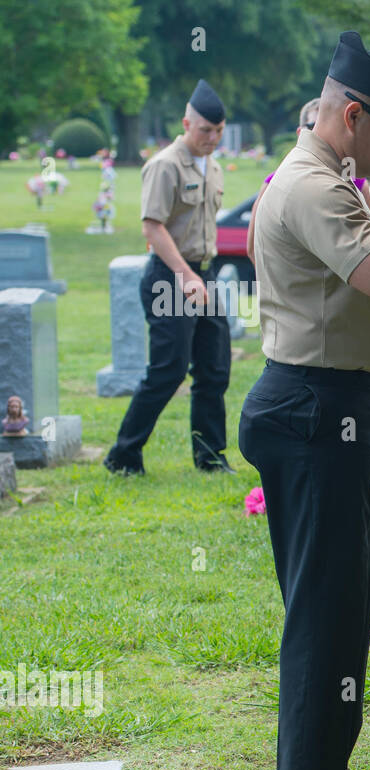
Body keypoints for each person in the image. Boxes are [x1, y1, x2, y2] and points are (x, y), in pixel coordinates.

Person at [237, 31, 370, 770]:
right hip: (318, 409)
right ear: (351, 115)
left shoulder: (318, 173)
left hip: (327, 406)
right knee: (328, 605)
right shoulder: (314, 186)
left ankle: (315, 768)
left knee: (335, 600)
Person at [103, 79, 233, 476]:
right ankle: (123, 455)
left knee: (214, 368)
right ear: (186, 124)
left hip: (205, 275)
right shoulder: (164, 165)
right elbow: (153, 227)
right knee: (169, 371)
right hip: (170, 278)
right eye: (205, 130)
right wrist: (184, 276)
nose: (212, 138)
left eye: (218, 131)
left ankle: (210, 457)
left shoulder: (214, 167)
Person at [246, 97, 370, 261]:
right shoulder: (275, 181)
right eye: (314, 126)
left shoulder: (357, 183)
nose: (322, 133)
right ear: (301, 133)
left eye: (330, 125)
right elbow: (253, 248)